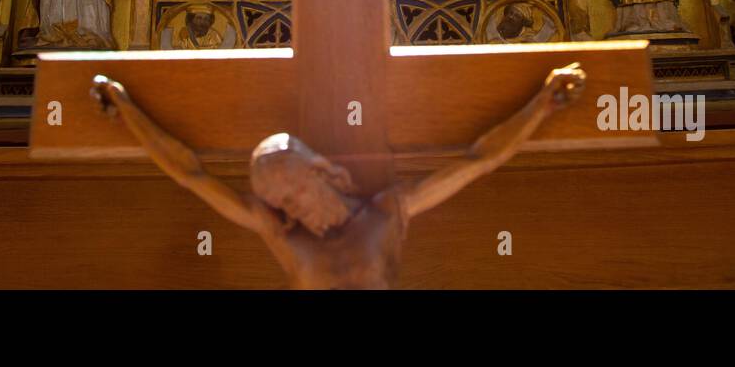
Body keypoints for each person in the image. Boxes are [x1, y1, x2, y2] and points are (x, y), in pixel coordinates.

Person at [91, 63, 587, 289]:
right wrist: (124, 105)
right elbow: (190, 175)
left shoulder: (388, 212)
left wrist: (542, 103)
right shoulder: (287, 238)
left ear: (325, 171)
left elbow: (479, 159)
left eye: (292, 191)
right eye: (280, 203)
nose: (289, 209)